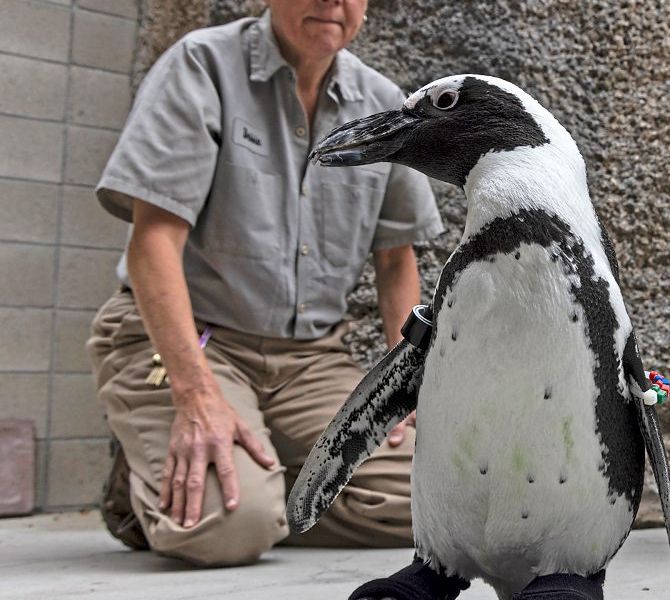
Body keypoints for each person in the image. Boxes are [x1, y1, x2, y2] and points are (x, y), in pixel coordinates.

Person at [87, 0, 444, 567]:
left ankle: (263, 480)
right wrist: (195, 392)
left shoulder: (383, 106)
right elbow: (152, 241)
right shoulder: (201, 66)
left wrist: (407, 380)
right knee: (226, 526)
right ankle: (161, 491)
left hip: (310, 363)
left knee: (437, 495)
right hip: (195, 345)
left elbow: (396, 261)